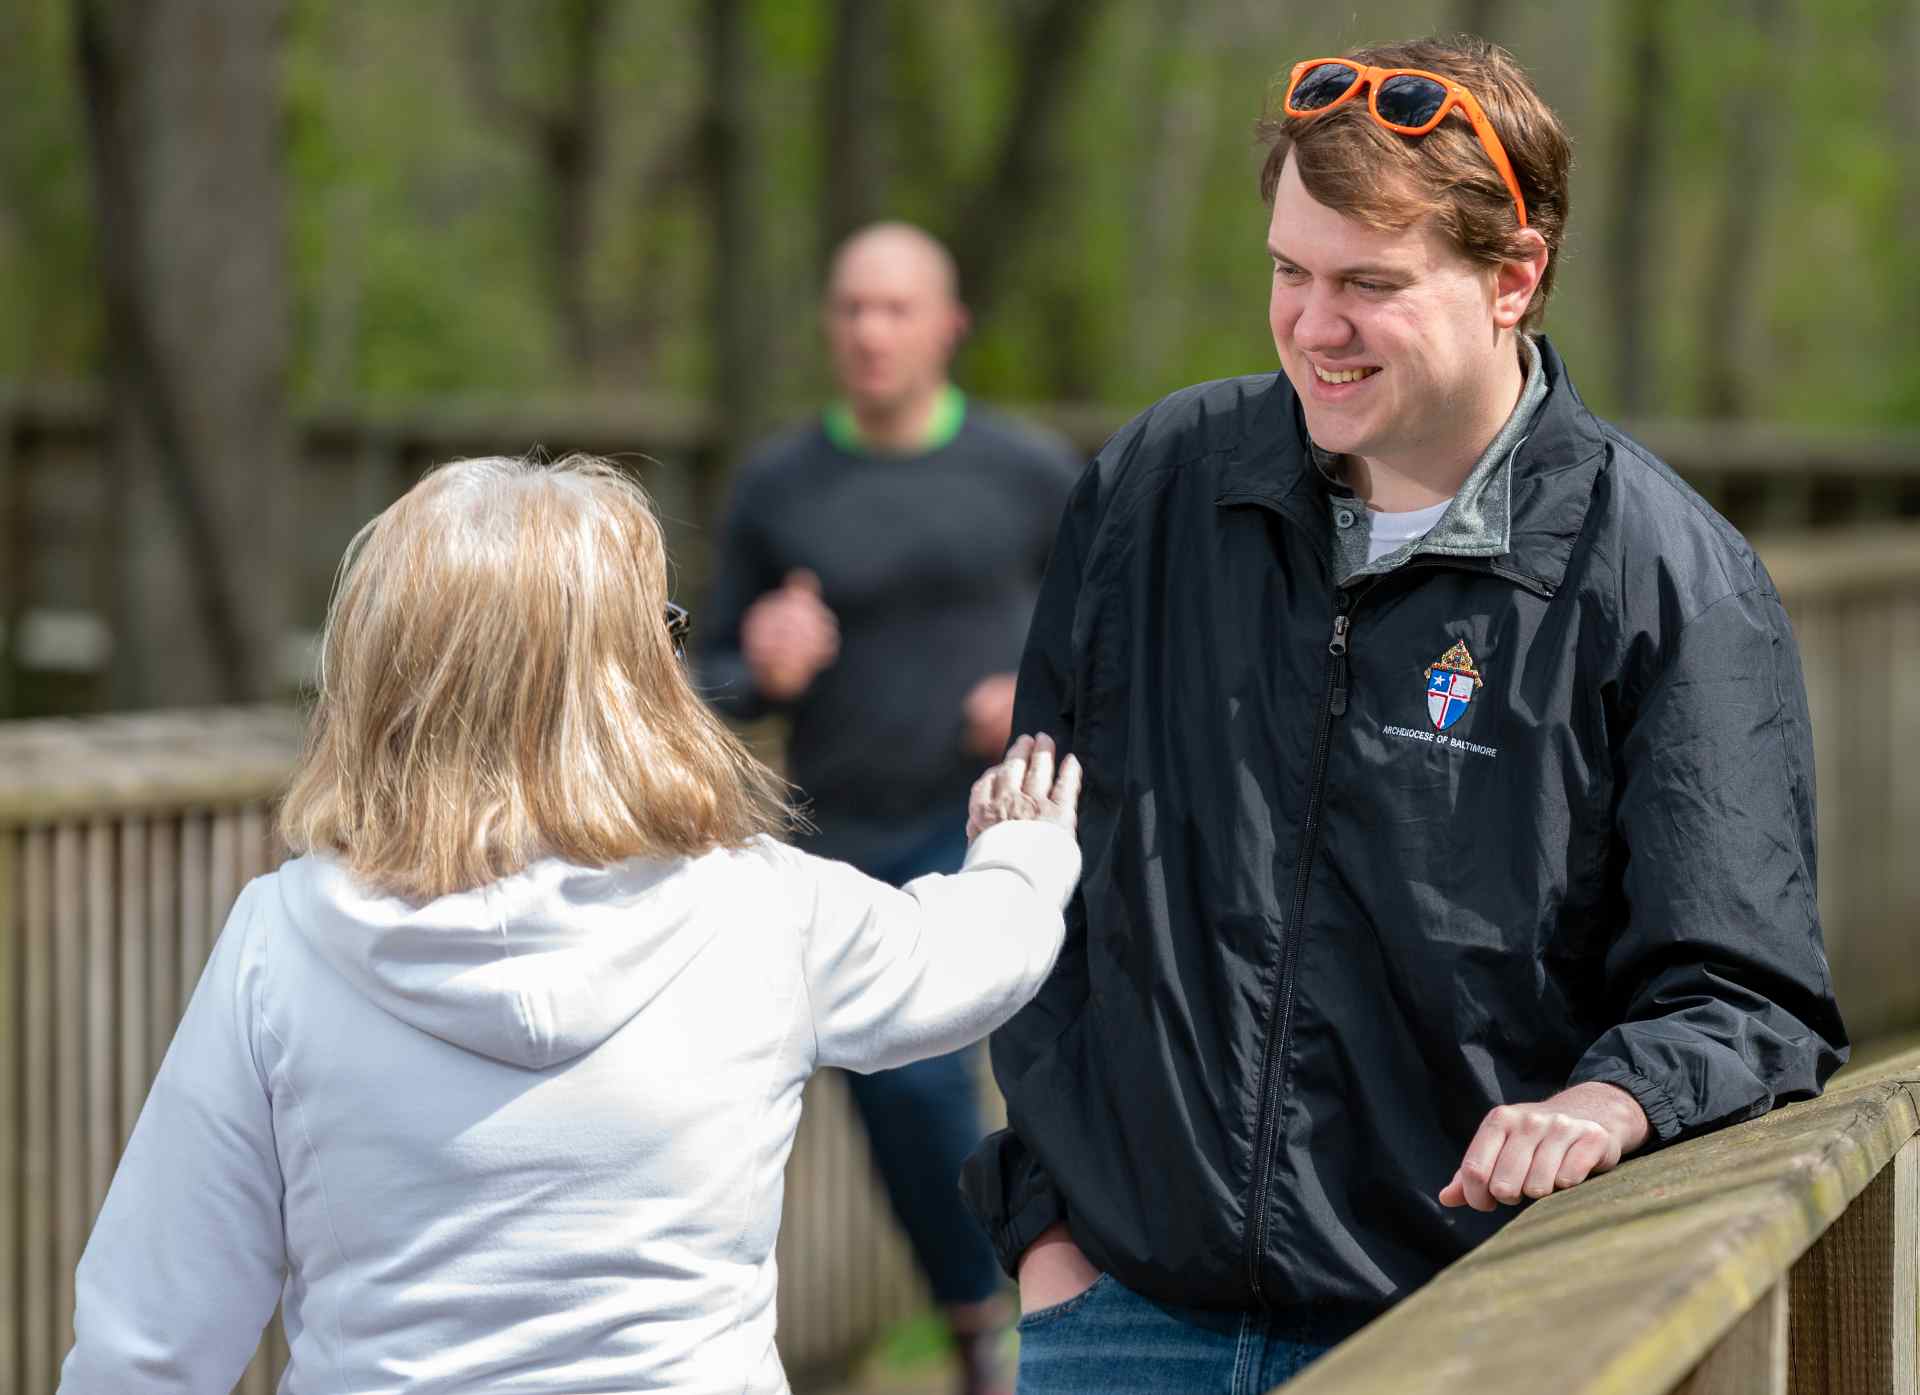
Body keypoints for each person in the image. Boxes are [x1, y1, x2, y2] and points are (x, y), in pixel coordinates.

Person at [958, 34, 1848, 1393]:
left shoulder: (1666, 576)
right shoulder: (1154, 487)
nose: (1315, 325)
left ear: (1515, 278)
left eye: (1371, 284)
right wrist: (1049, 1235)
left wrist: (1613, 1097)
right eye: (1289, 272)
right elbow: (1043, 861)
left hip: (1466, 1327)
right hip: (1123, 1316)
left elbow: (1742, 987)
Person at [57, 455, 1085, 1395]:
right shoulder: (753, 907)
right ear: (626, 681)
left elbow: (152, 1338)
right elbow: (968, 960)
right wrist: (1024, 845)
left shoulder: (285, 940)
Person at [698, 222, 1079, 1388]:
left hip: (990, 821)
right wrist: (759, 663)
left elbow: (1106, 645)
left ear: (948, 326)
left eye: (896, 309)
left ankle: (1031, 1320)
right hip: (839, 834)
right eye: (851, 309)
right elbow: (700, 674)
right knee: (896, 1091)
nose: (870, 331)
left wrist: (1036, 691)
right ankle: (978, 1318)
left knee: (996, 1075)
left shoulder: (1027, 473)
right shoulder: (778, 483)